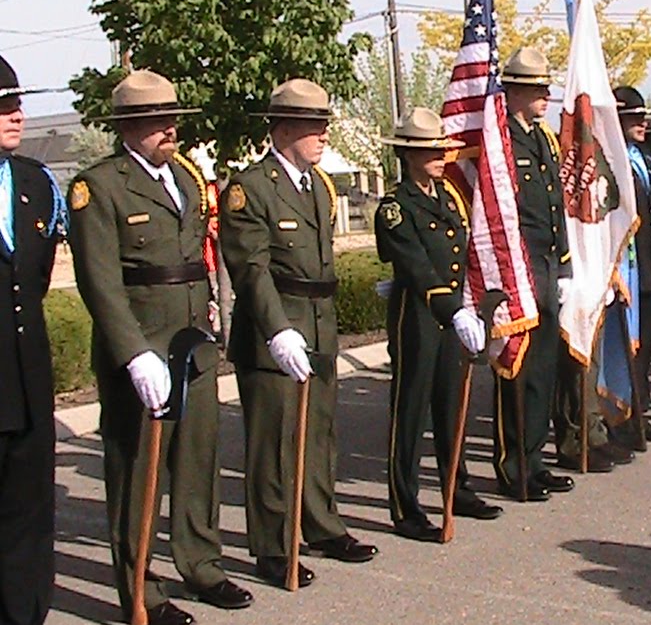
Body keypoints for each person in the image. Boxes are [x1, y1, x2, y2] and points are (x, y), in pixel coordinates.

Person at [68, 70, 252, 625]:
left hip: (191, 345)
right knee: (137, 471)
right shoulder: (99, 187)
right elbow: (99, 281)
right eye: (157, 119)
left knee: (197, 461)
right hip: (143, 351)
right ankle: (140, 587)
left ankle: (201, 563)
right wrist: (133, 353)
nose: (170, 127)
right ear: (128, 125)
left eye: (173, 117)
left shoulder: (187, 177)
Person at [219, 79, 378, 589]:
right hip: (277, 329)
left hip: (318, 322)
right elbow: (252, 269)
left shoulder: (316, 186)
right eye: (314, 125)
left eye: (325, 124)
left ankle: (322, 524)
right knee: (273, 444)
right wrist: (277, 331)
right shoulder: (252, 187)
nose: (323, 134)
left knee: (319, 433)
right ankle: (271, 544)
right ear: (283, 127)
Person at [374, 107, 502, 542]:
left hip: (452, 313)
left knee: (451, 404)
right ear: (408, 155)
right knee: (410, 409)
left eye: (441, 149)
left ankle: (455, 486)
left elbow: (459, 251)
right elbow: (415, 265)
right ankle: (405, 506)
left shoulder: (446, 195)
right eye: (430, 151)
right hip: (420, 315)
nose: (440, 156)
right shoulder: (395, 206)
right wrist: (454, 309)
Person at [0, 55, 66, 625]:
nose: (15, 113)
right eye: (2, 105)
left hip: (27, 373)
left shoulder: (35, 181)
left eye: (16, 102)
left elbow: (38, 276)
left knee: (29, 514)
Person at [495, 47, 574, 501]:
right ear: (516, 92)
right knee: (518, 368)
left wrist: (562, 260)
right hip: (519, 266)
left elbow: (555, 205)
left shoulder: (542, 137)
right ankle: (513, 467)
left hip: (545, 264)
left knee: (543, 368)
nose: (546, 96)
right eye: (538, 89)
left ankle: (535, 459)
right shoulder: (501, 136)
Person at [610, 85, 651, 443]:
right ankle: (622, 418)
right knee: (623, 347)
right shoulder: (613, 159)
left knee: (643, 346)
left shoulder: (644, 158)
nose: (643, 124)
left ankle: (640, 414)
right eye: (635, 118)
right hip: (625, 267)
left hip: (647, 266)